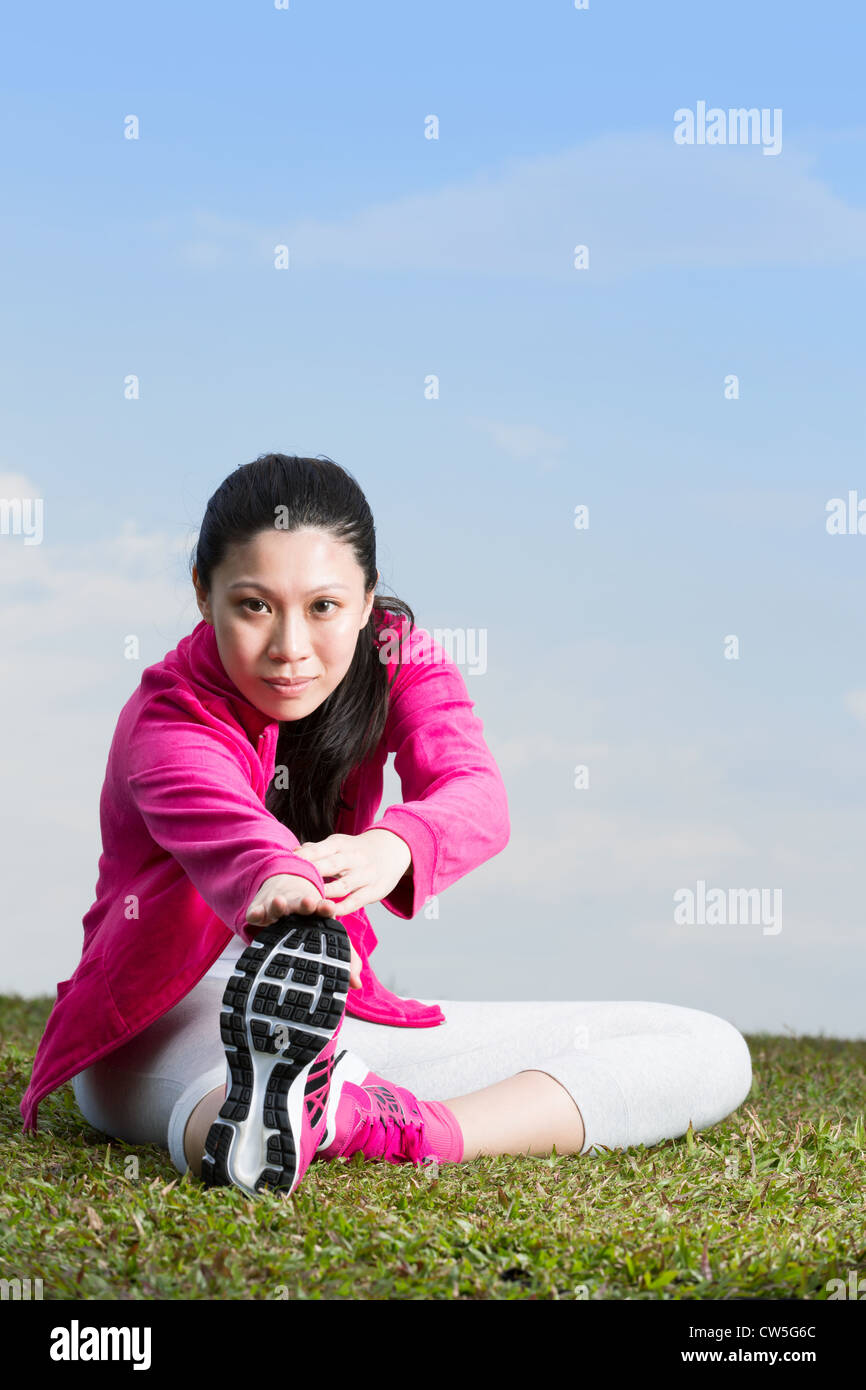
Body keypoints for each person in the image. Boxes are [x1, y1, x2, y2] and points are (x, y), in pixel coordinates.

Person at [20, 453, 753, 1197]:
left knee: (706, 1047)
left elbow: (476, 791)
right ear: (202, 596)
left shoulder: (400, 659)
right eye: (254, 606)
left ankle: (391, 1124)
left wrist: (395, 843)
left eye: (323, 607)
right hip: (157, 1021)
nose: (290, 649)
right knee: (220, 1115)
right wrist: (285, 879)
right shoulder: (167, 717)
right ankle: (295, 1114)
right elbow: (237, 831)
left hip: (339, 1018)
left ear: (368, 601)